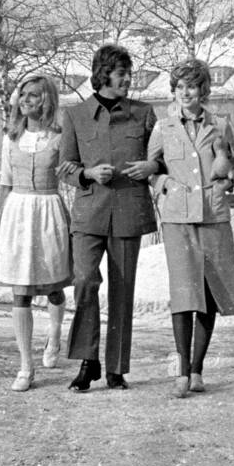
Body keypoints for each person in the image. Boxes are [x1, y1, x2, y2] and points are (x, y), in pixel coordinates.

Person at [58, 44, 157, 392]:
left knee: (123, 290)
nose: (128, 79)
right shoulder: (75, 115)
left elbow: (163, 158)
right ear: (102, 74)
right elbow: (64, 167)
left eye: (129, 73)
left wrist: (153, 166)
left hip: (129, 212)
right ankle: (89, 360)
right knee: (85, 281)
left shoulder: (144, 114)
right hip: (89, 213)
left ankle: (116, 367)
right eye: (121, 73)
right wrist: (86, 173)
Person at [146, 59, 234, 399]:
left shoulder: (220, 124)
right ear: (174, 90)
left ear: (204, 89)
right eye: (180, 86)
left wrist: (228, 180)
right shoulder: (164, 126)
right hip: (177, 219)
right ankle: (182, 371)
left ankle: (198, 369)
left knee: (209, 293)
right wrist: (164, 186)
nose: (186, 92)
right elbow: (152, 167)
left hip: (213, 216)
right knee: (184, 294)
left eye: (193, 86)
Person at [0, 74, 73, 392]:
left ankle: (54, 337)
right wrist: (0, 226)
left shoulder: (58, 136)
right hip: (18, 213)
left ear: (48, 100)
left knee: (53, 285)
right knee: (20, 292)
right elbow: (5, 181)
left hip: (49, 212)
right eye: (23, 95)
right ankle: (26, 366)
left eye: (35, 95)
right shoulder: (11, 137)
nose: (26, 100)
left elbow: (71, 173)